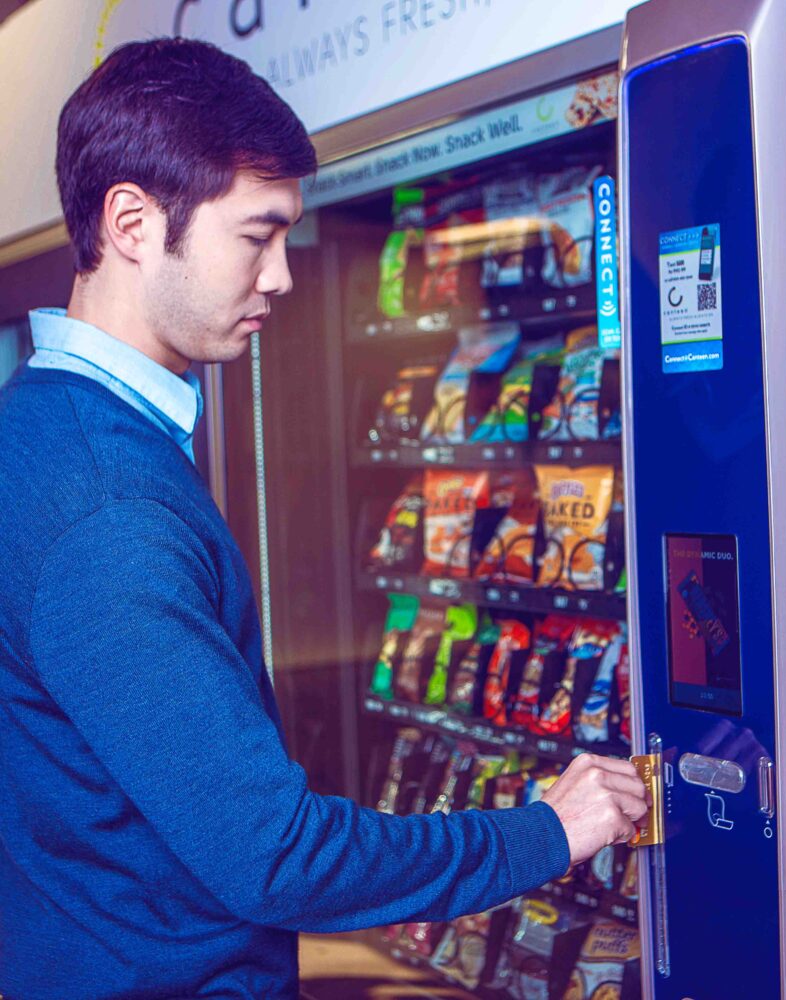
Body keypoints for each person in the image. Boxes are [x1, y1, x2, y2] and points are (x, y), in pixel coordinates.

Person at [0, 37, 649, 999]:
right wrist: (548, 831)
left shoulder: (31, 427)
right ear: (133, 222)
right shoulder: (110, 509)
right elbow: (277, 856)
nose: (281, 277)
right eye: (255, 236)